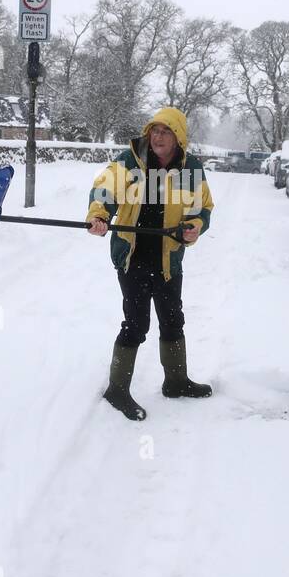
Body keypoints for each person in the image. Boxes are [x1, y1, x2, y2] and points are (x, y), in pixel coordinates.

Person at [86, 106, 215, 421]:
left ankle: (176, 381)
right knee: (137, 323)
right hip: (134, 256)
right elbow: (105, 189)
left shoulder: (190, 169)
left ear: (178, 137)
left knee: (173, 320)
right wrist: (100, 215)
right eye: (154, 131)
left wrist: (195, 225)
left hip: (168, 256)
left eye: (165, 132)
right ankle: (116, 389)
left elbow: (203, 209)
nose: (157, 137)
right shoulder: (131, 160)